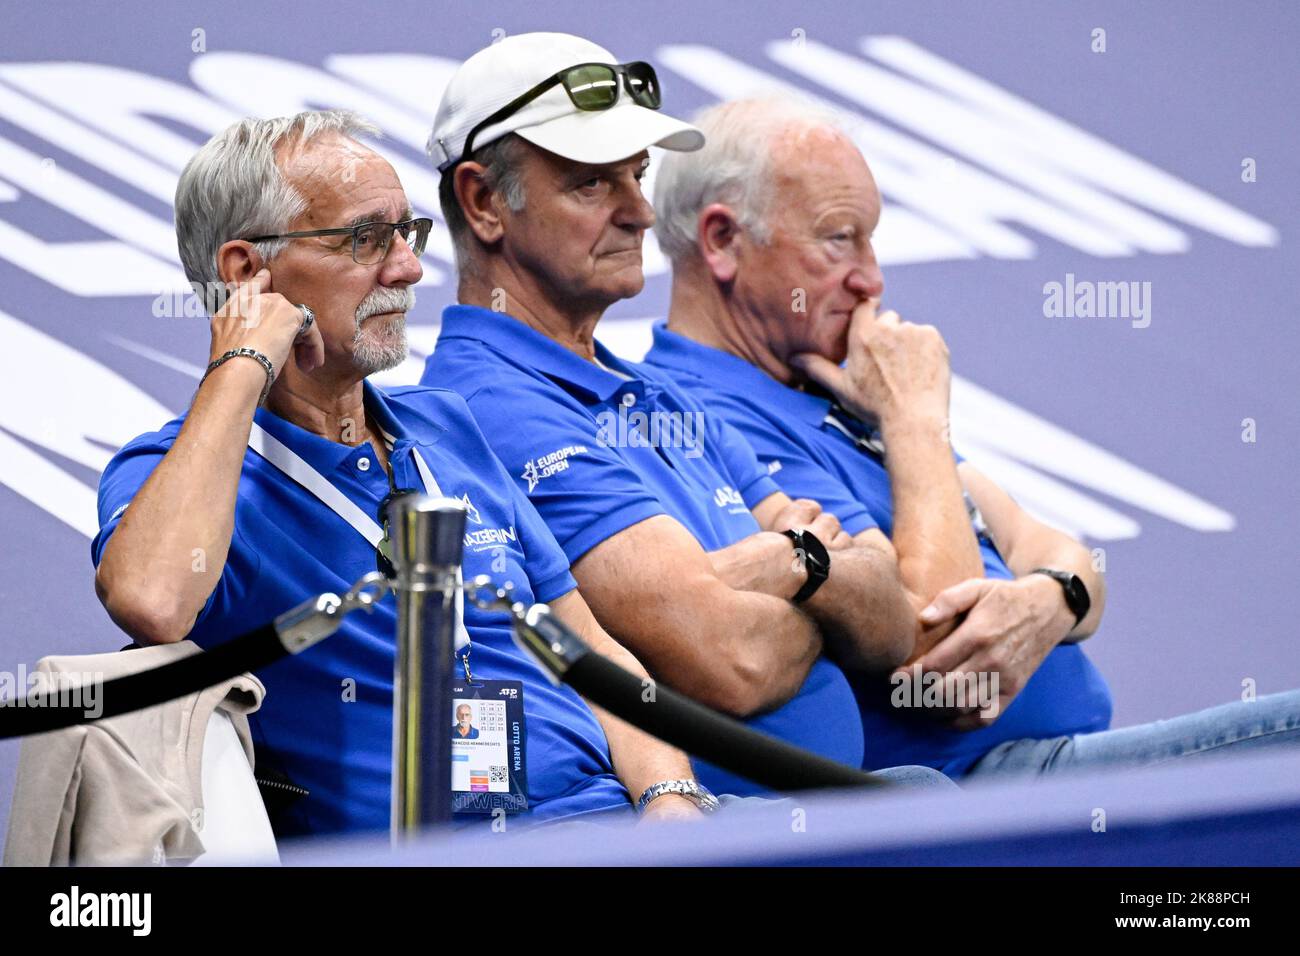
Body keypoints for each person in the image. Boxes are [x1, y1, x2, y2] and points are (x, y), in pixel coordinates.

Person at [644, 95, 1300, 780]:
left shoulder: (834, 392)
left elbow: (1064, 557)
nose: (871, 278)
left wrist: (1050, 600)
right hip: (976, 786)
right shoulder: (700, 417)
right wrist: (917, 422)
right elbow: (934, 641)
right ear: (722, 241)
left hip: (1061, 769)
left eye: (871, 239)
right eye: (839, 238)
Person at [91, 108, 708, 837]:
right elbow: (151, 602)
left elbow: (592, 653)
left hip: (627, 830)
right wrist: (242, 359)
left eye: (406, 234)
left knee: (877, 812)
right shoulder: (171, 472)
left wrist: (672, 799)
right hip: (455, 855)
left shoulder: (445, 425)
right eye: (365, 239)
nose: (410, 268)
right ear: (246, 270)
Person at [420, 33, 949, 797]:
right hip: (699, 825)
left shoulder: (655, 394)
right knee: (934, 803)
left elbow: (894, 622)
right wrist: (815, 572)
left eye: (636, 176)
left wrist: (790, 563)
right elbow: (730, 659)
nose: (639, 212)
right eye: (592, 185)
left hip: (814, 816)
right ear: (483, 202)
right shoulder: (487, 404)